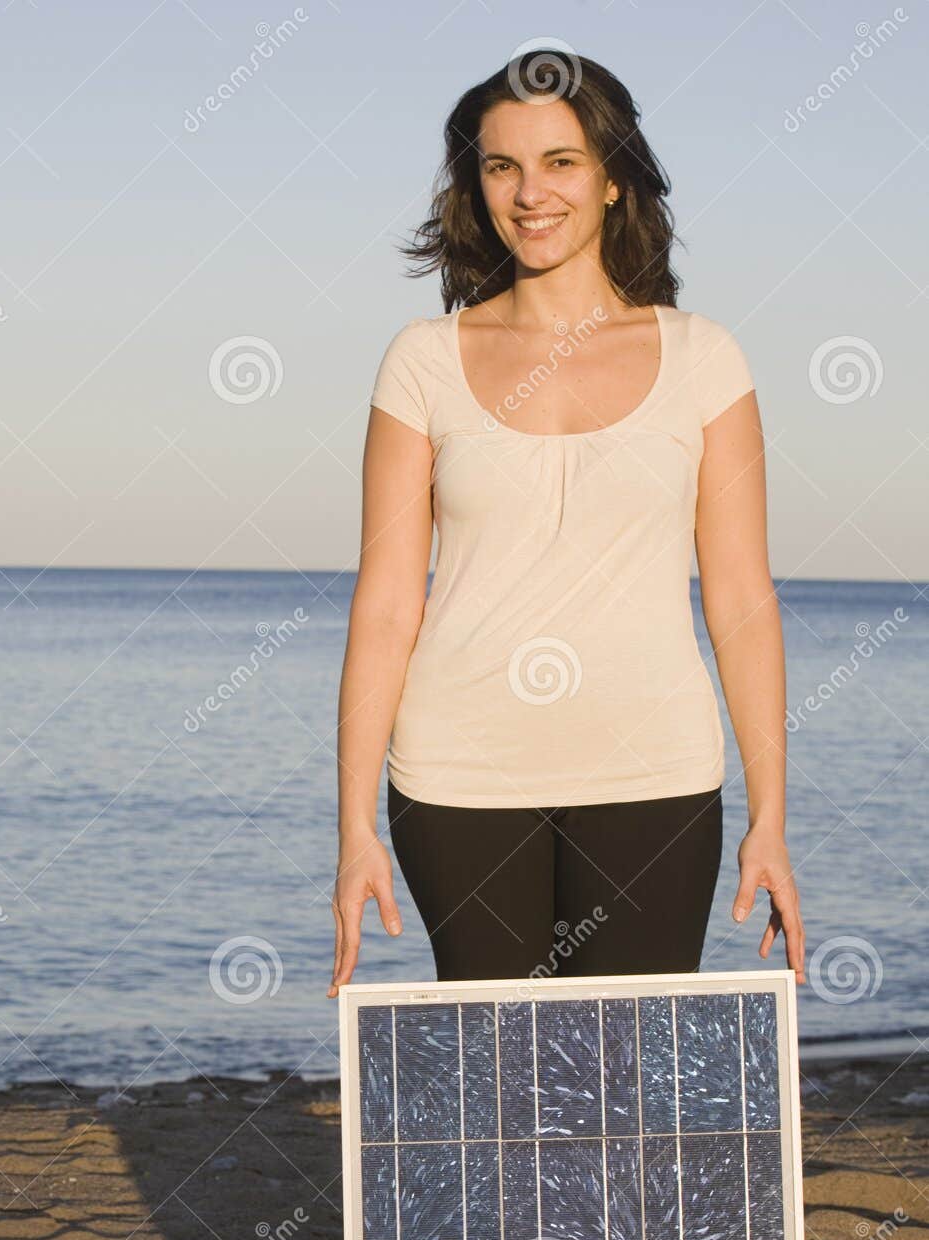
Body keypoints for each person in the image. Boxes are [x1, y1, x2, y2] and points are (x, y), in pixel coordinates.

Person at [328, 51, 805, 996]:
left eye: (560, 161)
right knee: (492, 1095)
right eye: (500, 166)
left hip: (654, 773)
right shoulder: (421, 362)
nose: (529, 191)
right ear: (476, 185)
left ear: (613, 177)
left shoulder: (704, 359)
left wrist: (771, 819)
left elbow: (743, 599)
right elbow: (385, 604)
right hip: (457, 775)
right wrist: (352, 830)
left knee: (624, 1096)